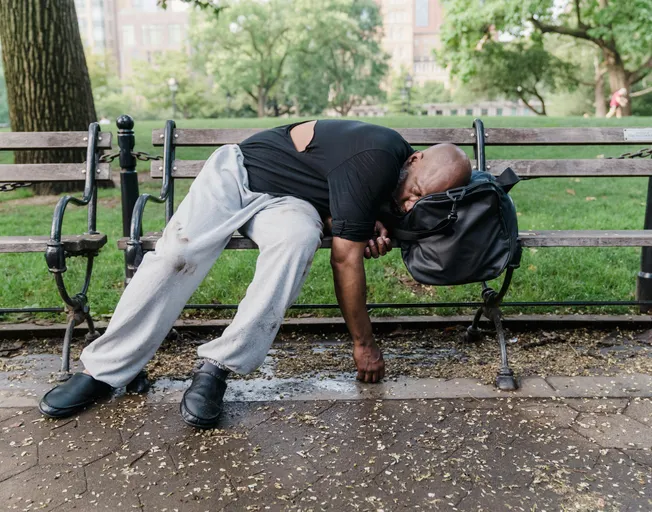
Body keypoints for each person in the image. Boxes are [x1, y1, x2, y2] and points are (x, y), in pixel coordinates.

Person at [38, 120, 472, 429]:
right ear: (414, 158)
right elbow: (346, 258)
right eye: (415, 193)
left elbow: (350, 208)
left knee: (297, 243)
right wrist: (364, 344)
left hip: (290, 204)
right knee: (177, 254)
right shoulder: (378, 157)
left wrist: (373, 220)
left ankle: (217, 368)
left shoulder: (395, 176)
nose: (411, 205)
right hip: (239, 175)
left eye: (423, 202)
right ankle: (102, 371)